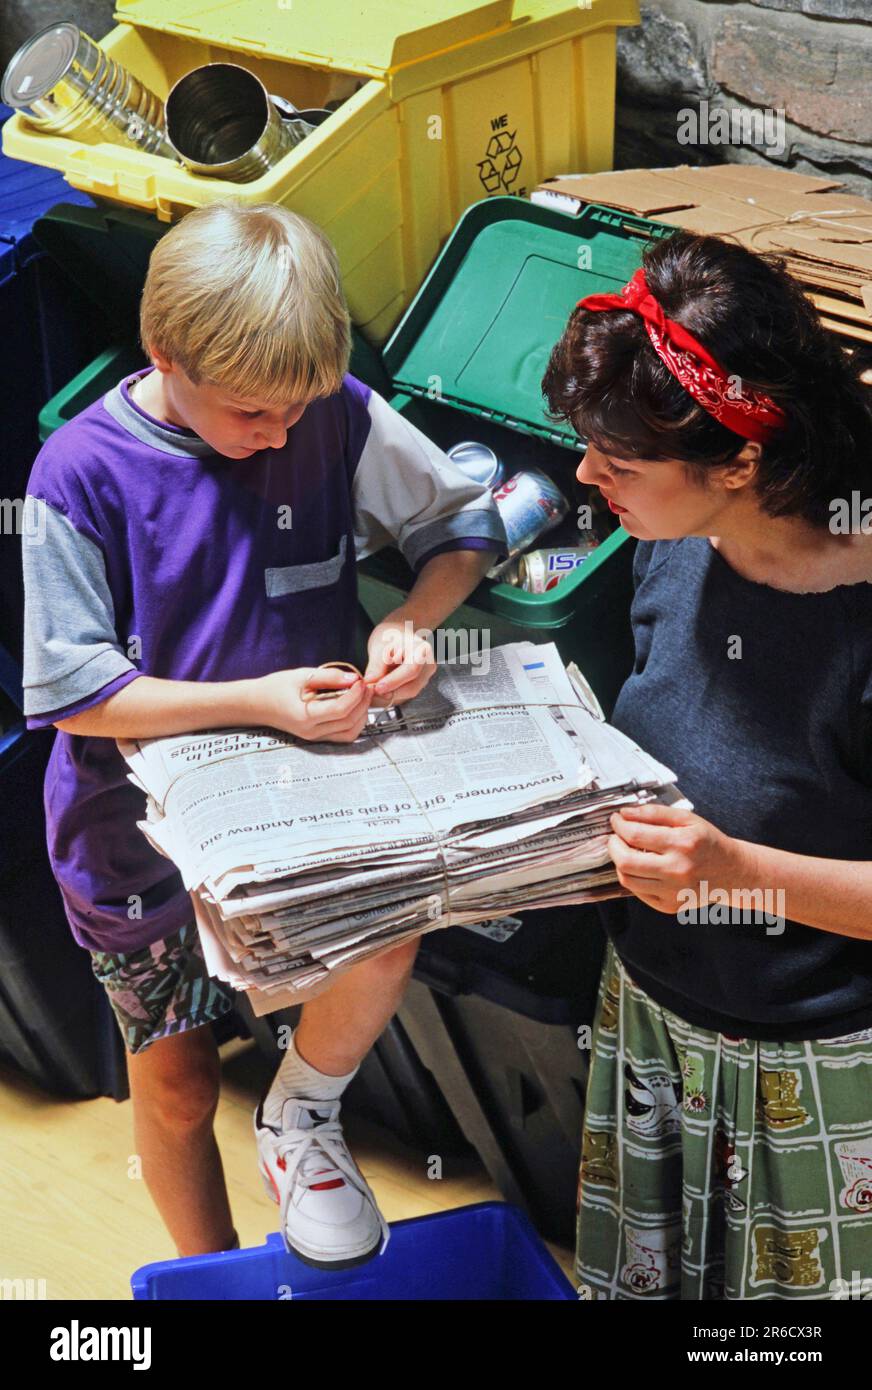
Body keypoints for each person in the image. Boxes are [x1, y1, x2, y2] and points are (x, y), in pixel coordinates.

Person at [21, 199, 507, 1269]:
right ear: (165, 356)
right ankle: (210, 1274)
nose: (280, 435)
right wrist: (259, 699)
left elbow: (466, 522)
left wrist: (411, 616)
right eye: (250, 414)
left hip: (313, 794)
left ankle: (300, 1113)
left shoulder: (330, 410)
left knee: (389, 932)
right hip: (131, 834)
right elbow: (74, 692)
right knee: (181, 1080)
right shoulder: (80, 477)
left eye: (298, 410)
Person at [542, 228, 872, 1301]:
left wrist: (735, 873)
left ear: (737, 461)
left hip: (819, 1071)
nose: (585, 478)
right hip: (652, 1023)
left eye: (619, 462)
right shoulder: (671, 538)